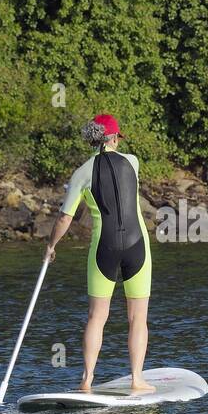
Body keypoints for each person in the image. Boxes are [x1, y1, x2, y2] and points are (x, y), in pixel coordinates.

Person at [44, 114, 154, 394]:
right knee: (137, 318)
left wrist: (51, 246)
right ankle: (137, 380)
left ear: (93, 139)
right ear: (115, 138)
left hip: (103, 249)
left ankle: (87, 380)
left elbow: (64, 218)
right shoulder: (132, 162)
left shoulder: (81, 172)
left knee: (96, 317)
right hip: (137, 246)